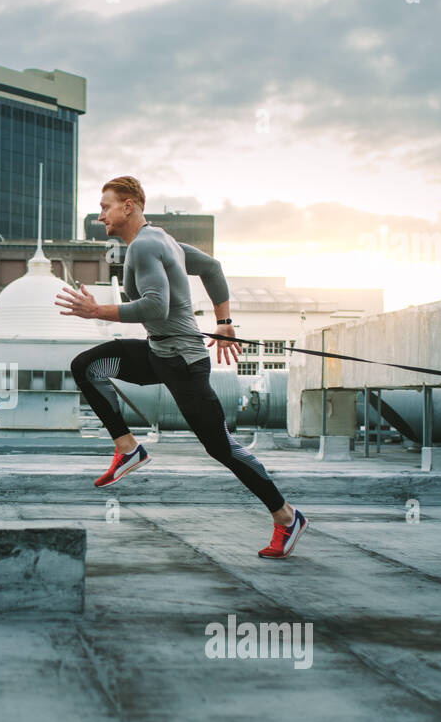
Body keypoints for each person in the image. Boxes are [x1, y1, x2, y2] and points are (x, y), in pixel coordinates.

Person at [55, 176, 307, 559]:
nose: (100, 214)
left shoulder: (144, 246)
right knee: (87, 366)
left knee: (221, 447)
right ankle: (128, 448)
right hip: (160, 353)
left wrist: (97, 311)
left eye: (106, 206)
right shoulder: (162, 241)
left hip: (184, 363)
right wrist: (223, 322)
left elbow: (157, 306)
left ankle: (287, 518)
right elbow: (212, 266)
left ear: (129, 206)